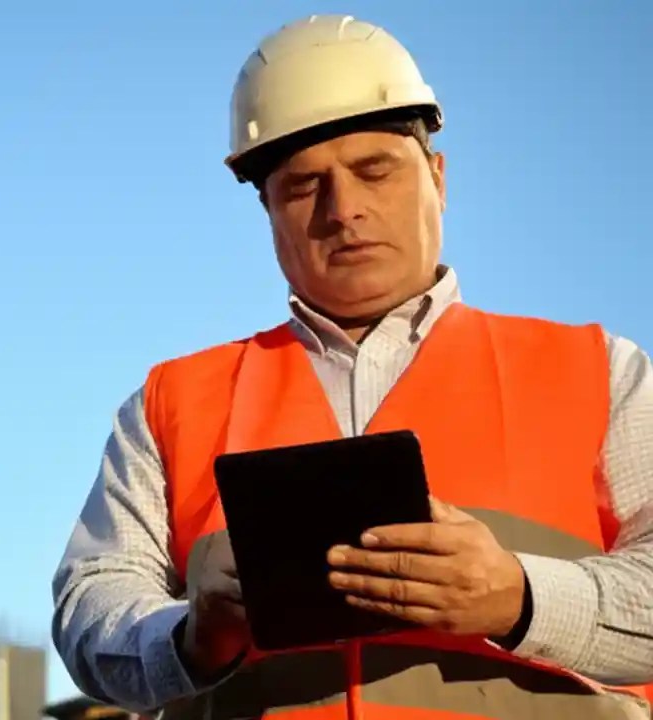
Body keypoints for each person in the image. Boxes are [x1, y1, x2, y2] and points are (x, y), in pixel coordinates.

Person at [50, 14, 653, 720]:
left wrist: (520, 597)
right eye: (304, 186)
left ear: (438, 176)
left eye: (375, 171)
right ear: (268, 210)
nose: (344, 211)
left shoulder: (598, 371)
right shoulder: (171, 404)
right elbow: (92, 610)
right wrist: (191, 634)